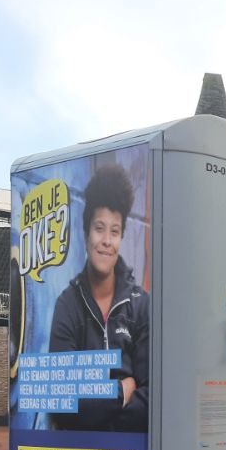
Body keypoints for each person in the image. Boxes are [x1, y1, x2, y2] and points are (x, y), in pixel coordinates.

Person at [49, 163, 150, 432]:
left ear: (121, 238)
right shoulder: (67, 305)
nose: (106, 240)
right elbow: (61, 400)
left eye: (114, 232)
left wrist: (96, 415)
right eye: (99, 228)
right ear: (86, 234)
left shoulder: (141, 305)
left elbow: (152, 399)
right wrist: (121, 391)